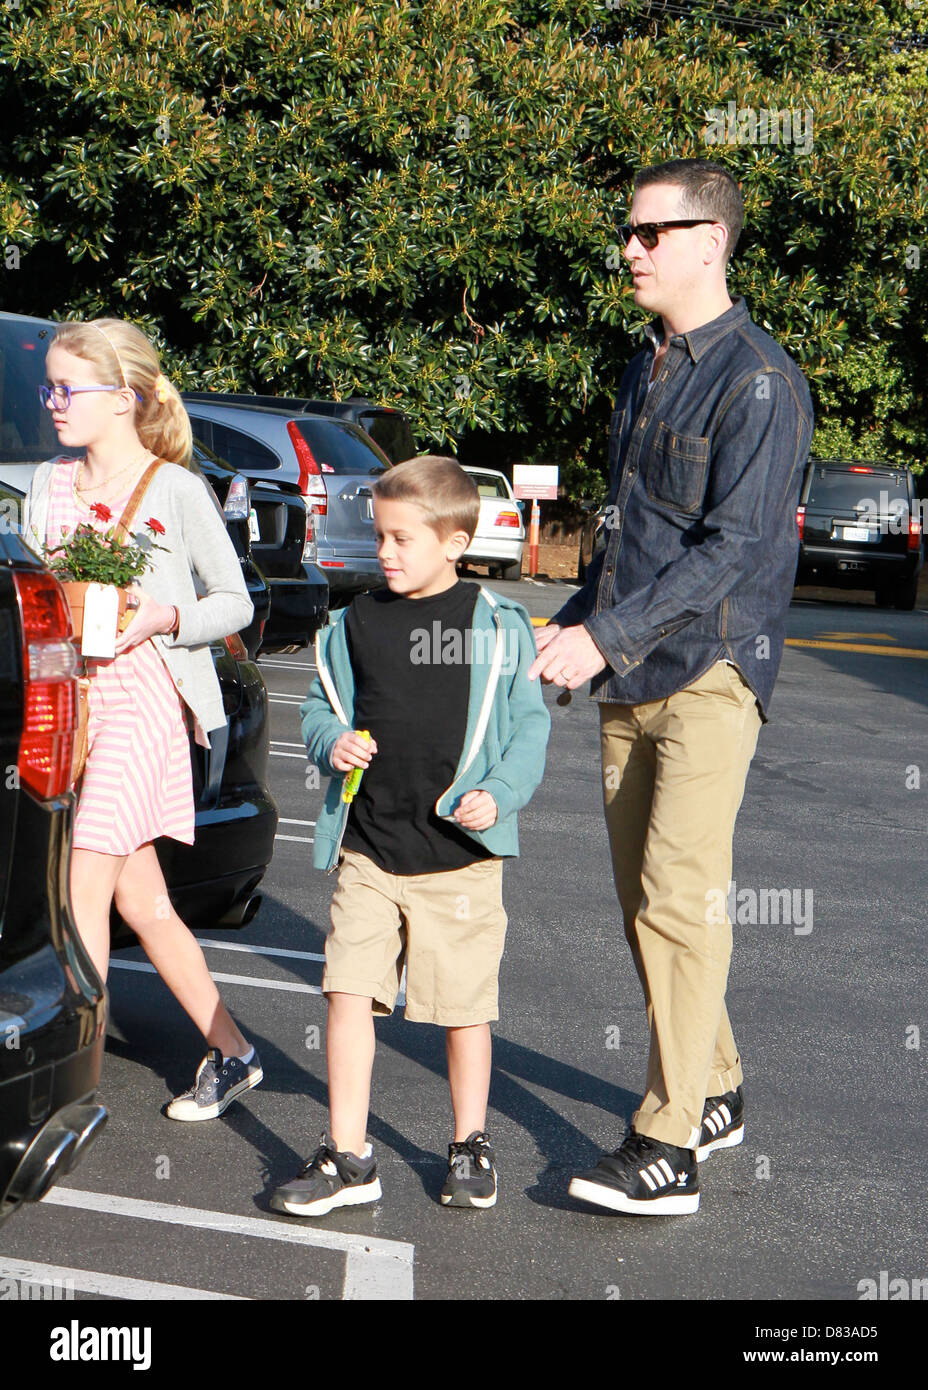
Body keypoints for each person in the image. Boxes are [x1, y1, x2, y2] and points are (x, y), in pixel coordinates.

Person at [529, 159, 814, 1215]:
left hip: (712, 672)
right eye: (630, 230)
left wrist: (602, 633)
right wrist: (569, 628)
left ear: (712, 241)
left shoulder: (758, 382)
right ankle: (719, 1084)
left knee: (679, 901)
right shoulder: (642, 369)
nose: (632, 248)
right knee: (642, 906)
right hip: (630, 665)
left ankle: (666, 1146)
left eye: (654, 231)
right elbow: (633, 534)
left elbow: (733, 550)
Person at [271, 455, 550, 1216]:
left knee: (464, 1008)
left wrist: (500, 792)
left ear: (455, 541)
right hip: (366, 847)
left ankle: (468, 1143)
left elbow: (528, 725)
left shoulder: (496, 625)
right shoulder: (355, 622)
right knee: (347, 993)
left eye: (402, 539)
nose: (384, 552)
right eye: (380, 537)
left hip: (458, 860)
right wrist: (330, 740)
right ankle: (349, 1154)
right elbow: (316, 710)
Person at [22, 317, 264, 1122]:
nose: (53, 402)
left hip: (142, 701)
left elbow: (234, 600)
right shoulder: (48, 486)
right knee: (145, 904)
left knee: (81, 875)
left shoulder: (175, 489)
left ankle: (71, 1081)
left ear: (123, 400)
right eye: (49, 386)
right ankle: (234, 1050)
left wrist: (161, 614)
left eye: (68, 389)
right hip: (65, 707)